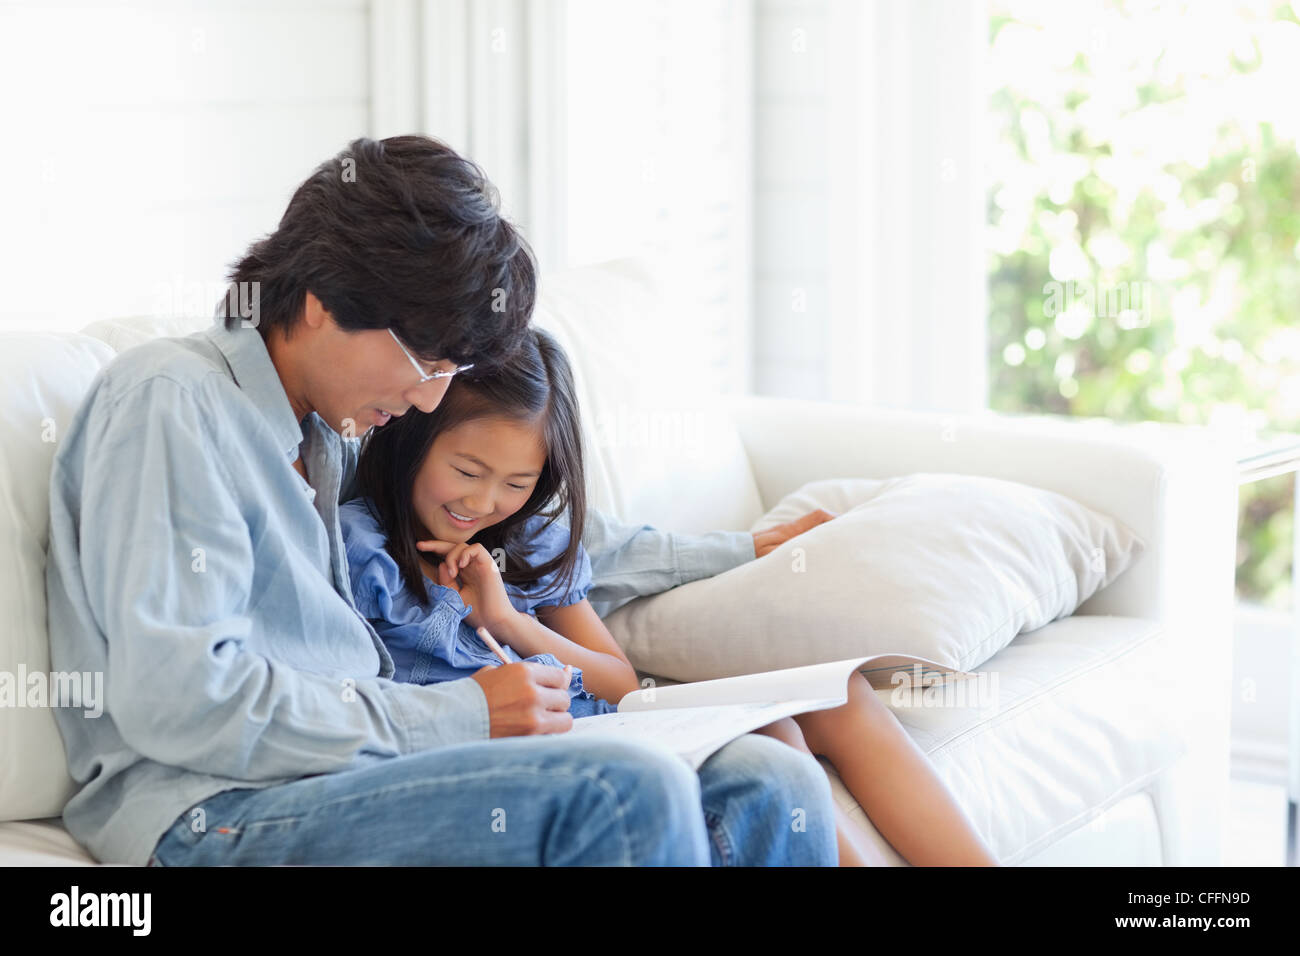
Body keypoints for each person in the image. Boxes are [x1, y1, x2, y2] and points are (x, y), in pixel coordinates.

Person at [44, 134, 840, 866]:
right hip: (212, 811)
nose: (429, 403)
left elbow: (536, 529)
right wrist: (460, 716)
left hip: (357, 777)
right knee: (618, 789)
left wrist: (744, 548)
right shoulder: (172, 402)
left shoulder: (329, 433)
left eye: (448, 374)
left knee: (768, 778)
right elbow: (180, 703)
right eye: (425, 362)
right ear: (322, 300)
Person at [342, 326, 999, 867]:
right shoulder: (361, 552)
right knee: (771, 744)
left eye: (516, 482)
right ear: (412, 434)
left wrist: (512, 622)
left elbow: (618, 680)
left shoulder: (529, 540)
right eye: (466, 471)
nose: (482, 503)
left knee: (837, 700)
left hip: (613, 719)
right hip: (537, 758)